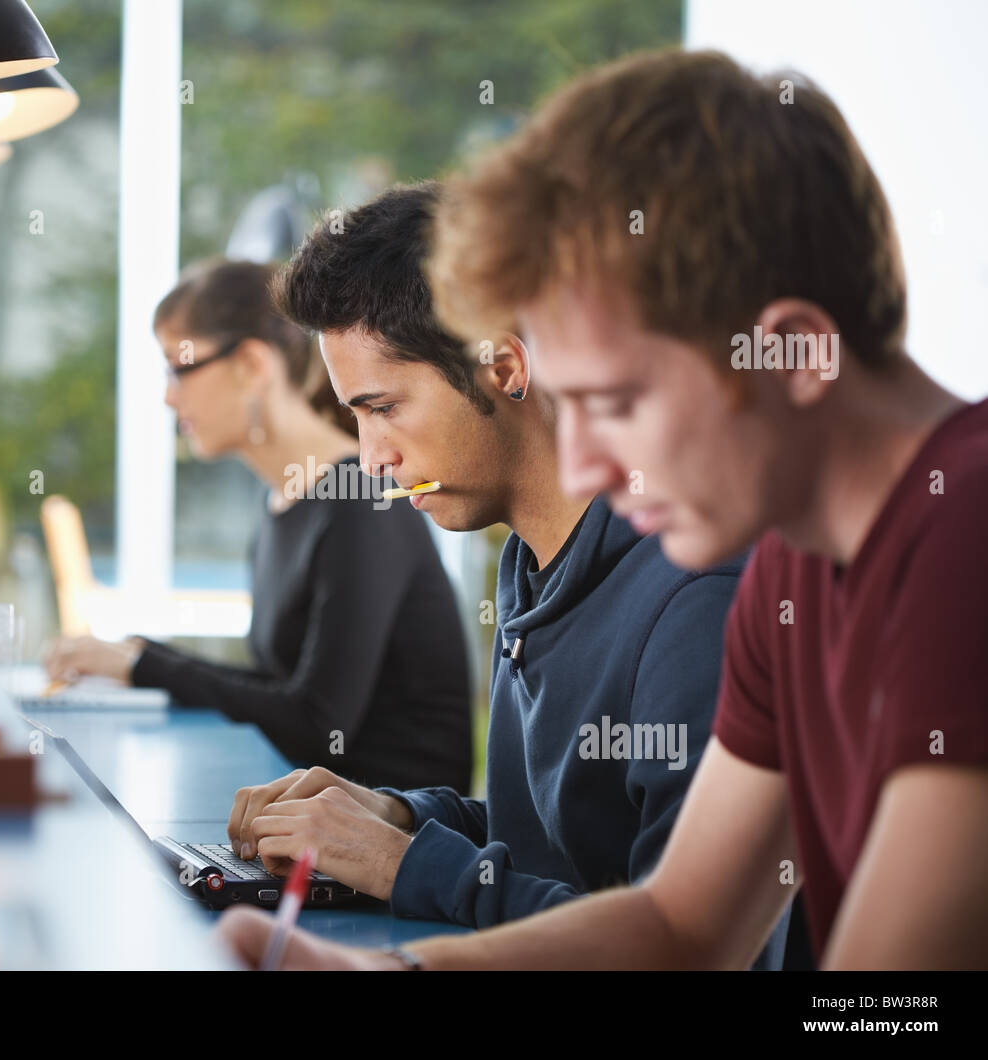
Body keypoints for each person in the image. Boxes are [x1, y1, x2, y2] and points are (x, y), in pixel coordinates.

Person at [217, 49, 988, 970]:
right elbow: (681, 927)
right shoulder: (792, 566)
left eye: (615, 402)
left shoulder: (963, 537)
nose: (582, 465)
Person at [222, 184, 793, 966]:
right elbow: (554, 846)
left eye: (383, 407)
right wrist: (397, 815)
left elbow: (684, 942)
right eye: (355, 415)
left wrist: (406, 865)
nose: (373, 459)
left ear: (505, 366)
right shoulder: (531, 559)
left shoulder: (699, 595)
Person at [45, 259, 472, 792]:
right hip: (311, 806)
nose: (168, 396)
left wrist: (143, 666)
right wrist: (138, 653)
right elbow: (279, 686)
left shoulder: (361, 499)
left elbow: (318, 722)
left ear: (250, 364)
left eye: (179, 367)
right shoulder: (283, 500)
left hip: (391, 827)